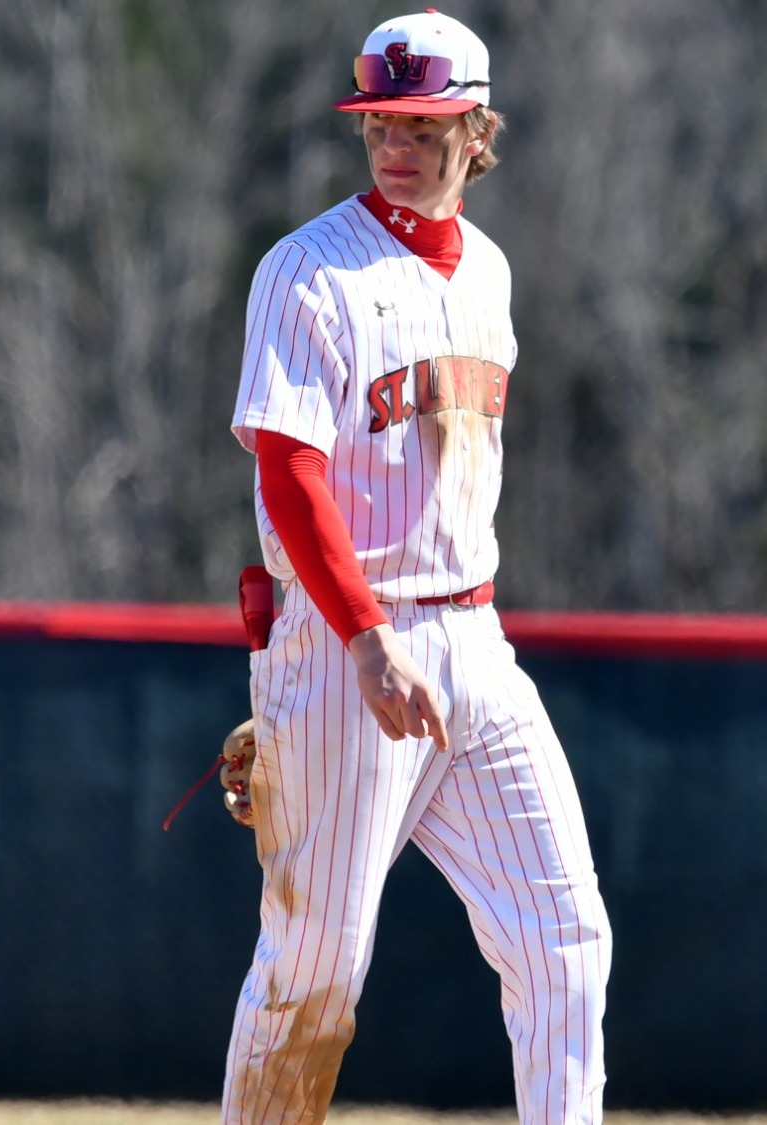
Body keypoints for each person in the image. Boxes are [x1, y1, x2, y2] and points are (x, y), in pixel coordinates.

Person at [223, 9, 612, 1124]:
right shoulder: (307, 273)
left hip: (472, 640)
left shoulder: (485, 274)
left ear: (477, 133)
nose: (396, 143)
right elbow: (292, 477)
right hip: (352, 639)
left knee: (564, 938)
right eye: (379, 121)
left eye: (424, 125)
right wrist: (354, 640)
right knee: (315, 972)